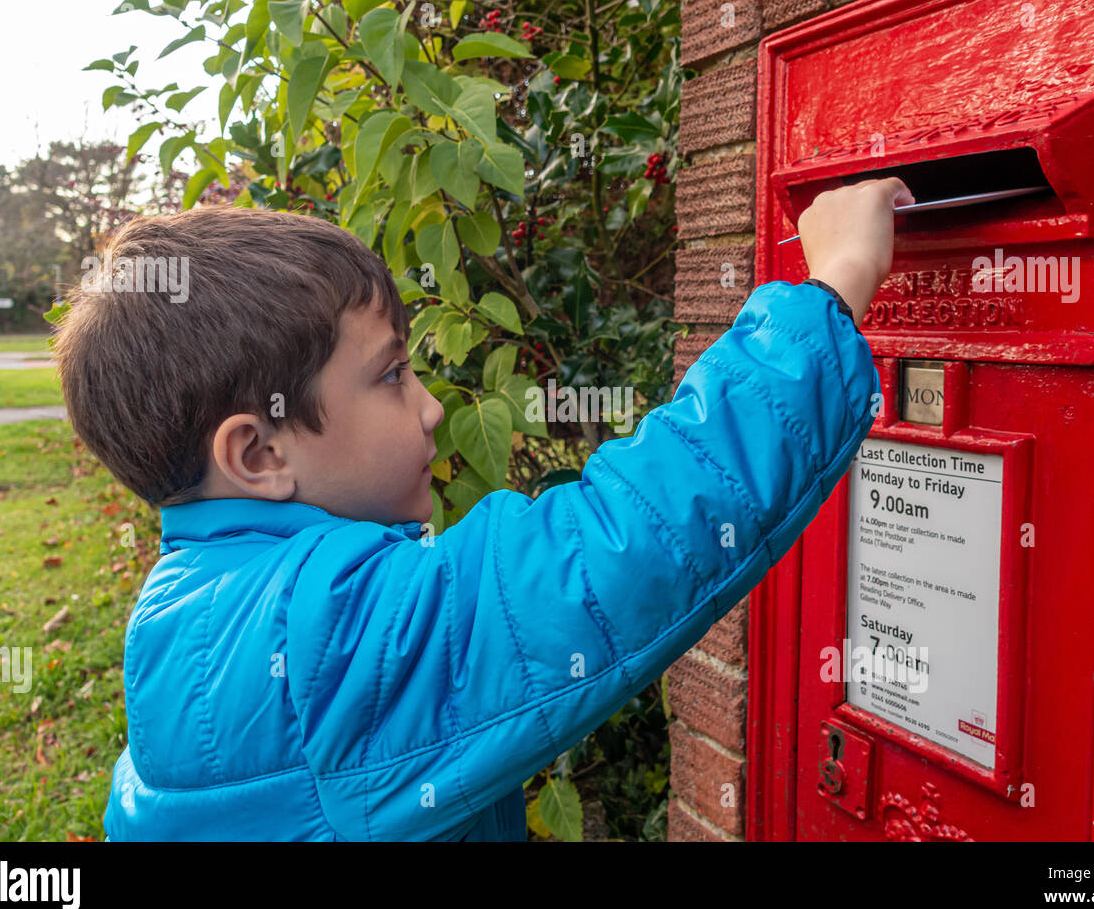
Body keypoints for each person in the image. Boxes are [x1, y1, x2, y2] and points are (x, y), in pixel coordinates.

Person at [52, 176, 912, 840]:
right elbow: (620, 544)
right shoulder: (327, 640)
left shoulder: (190, 608)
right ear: (259, 453)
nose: (430, 408)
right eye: (391, 376)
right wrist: (834, 284)